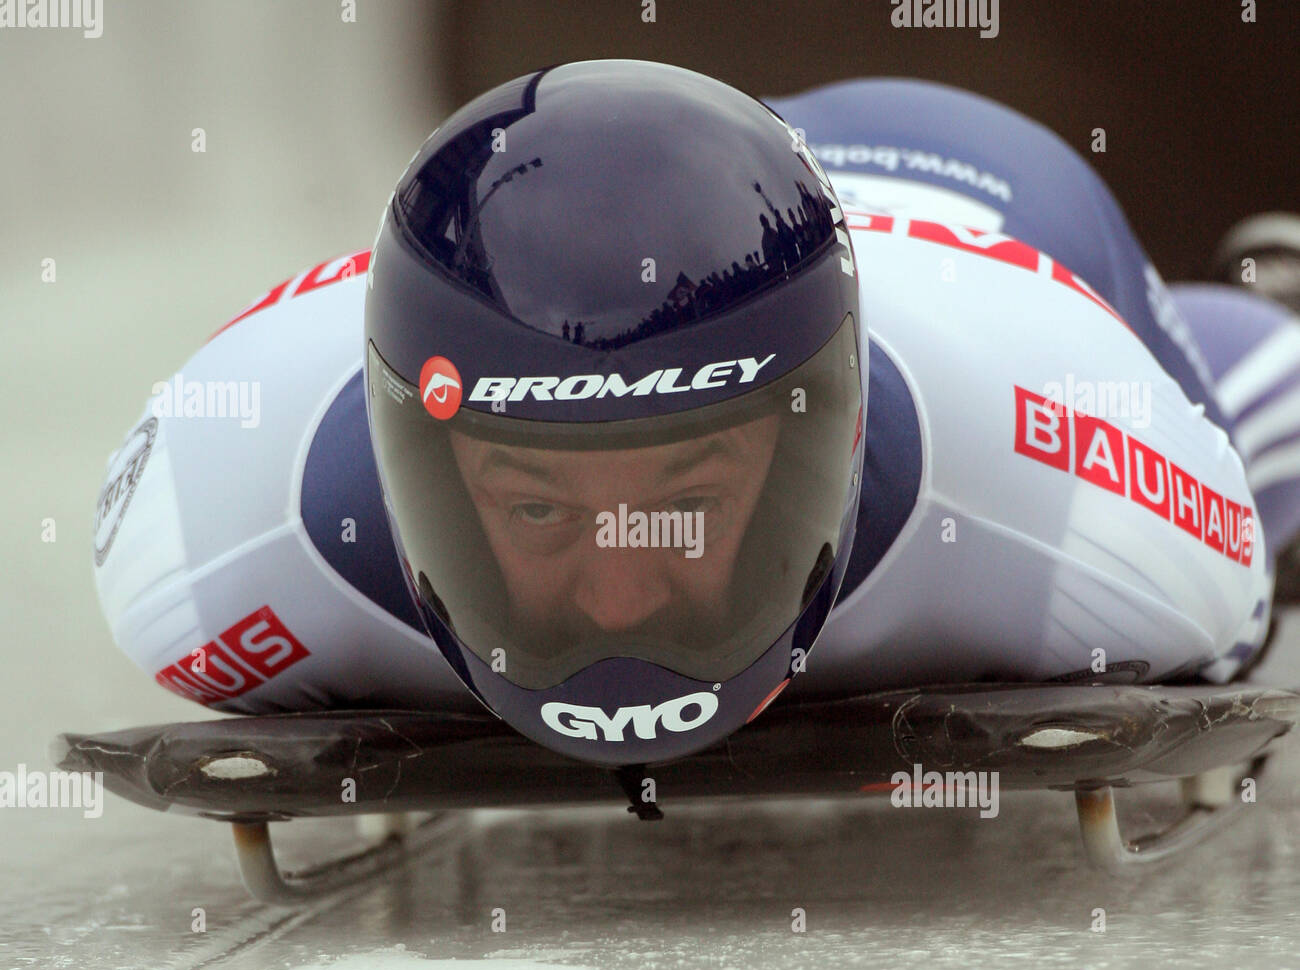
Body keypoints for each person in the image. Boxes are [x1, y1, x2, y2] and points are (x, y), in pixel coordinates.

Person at [92, 60, 1300, 767]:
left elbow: (1230, 610)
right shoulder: (206, 520)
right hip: (729, 203)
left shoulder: (1083, 489)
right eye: (531, 502)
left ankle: (1261, 313)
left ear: (830, 436)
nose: (618, 600)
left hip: (973, 190)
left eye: (686, 498)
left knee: (1260, 440)